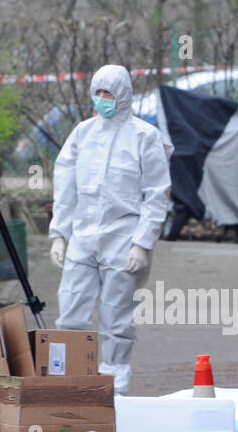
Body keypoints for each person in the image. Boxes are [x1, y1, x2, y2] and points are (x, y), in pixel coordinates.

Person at [49, 65, 172, 396]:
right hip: (82, 236)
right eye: (98, 92)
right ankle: (66, 384)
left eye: (110, 93)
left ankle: (114, 388)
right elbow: (65, 187)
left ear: (124, 95)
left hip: (122, 236)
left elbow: (156, 193)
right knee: (71, 310)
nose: (103, 100)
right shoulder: (82, 134)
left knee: (116, 319)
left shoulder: (144, 137)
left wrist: (142, 243)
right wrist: (59, 234)